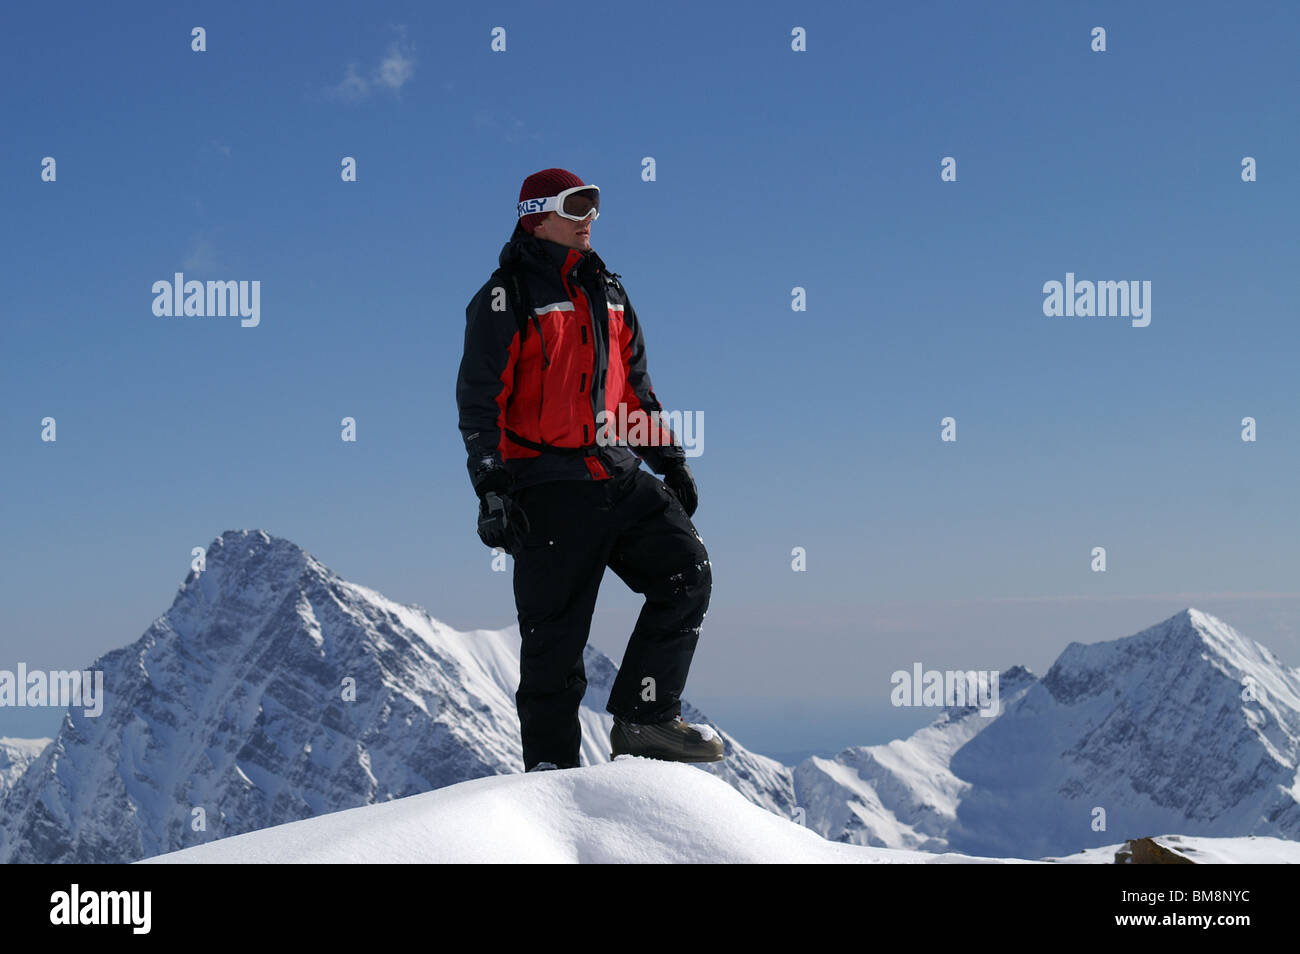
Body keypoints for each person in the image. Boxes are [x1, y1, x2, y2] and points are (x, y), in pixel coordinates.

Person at [456, 168, 724, 772]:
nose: (589, 219)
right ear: (537, 214)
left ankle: (645, 719)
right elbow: (480, 401)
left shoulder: (610, 292)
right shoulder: (506, 297)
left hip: (619, 475)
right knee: (556, 643)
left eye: (594, 207)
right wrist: (492, 485)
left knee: (687, 573)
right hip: (546, 486)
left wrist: (669, 458)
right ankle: (553, 783)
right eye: (576, 206)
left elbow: (634, 393)